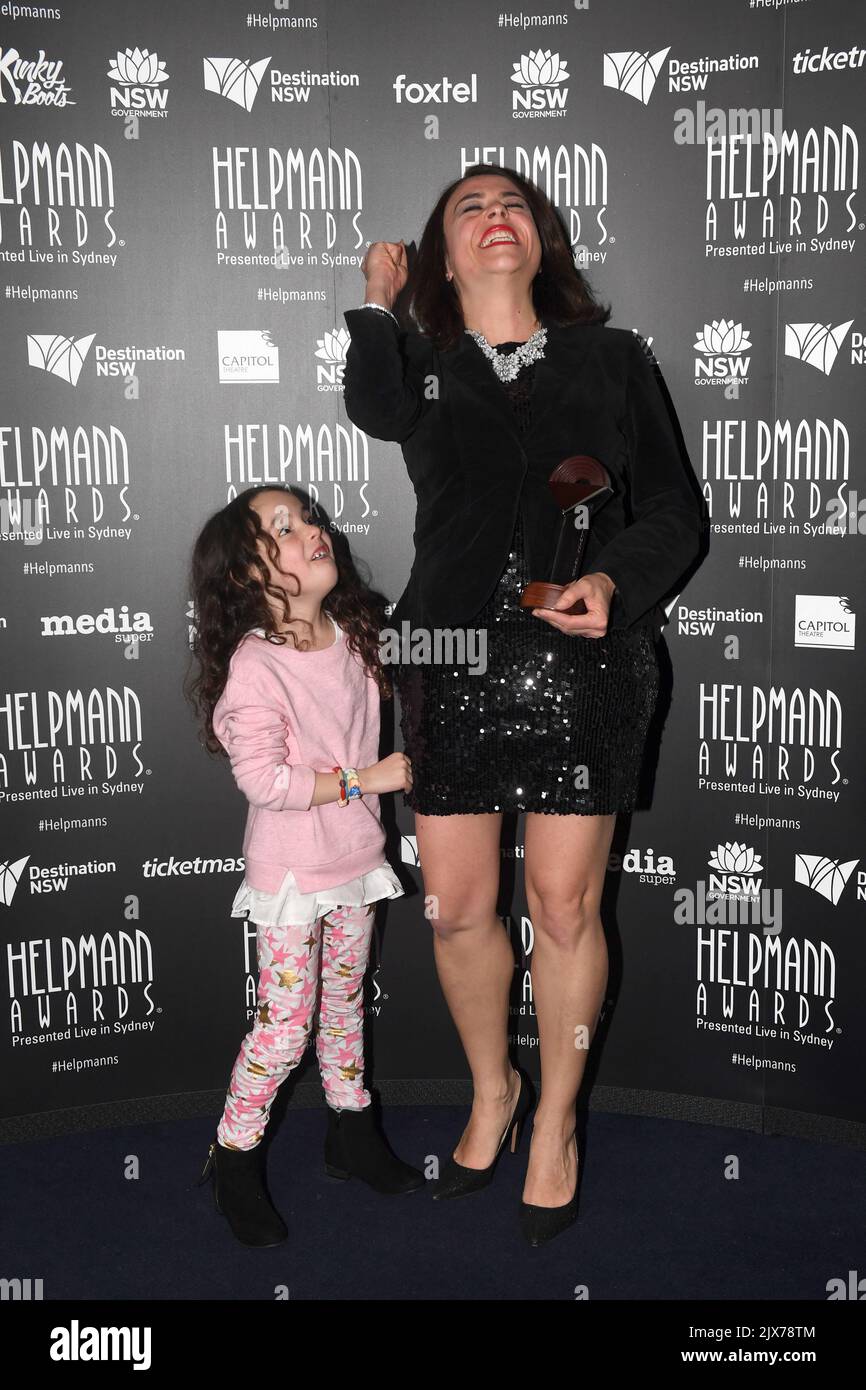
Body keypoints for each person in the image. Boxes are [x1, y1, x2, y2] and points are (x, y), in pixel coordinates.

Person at [341, 163, 707, 1246]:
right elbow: (372, 408)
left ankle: (553, 1123)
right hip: (447, 653)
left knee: (561, 907)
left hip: (581, 658)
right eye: (469, 209)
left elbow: (675, 513)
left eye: (512, 207)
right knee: (455, 907)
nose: (495, 218)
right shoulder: (419, 366)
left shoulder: (611, 359)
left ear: (538, 240)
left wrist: (616, 582)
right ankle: (490, 1089)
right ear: (443, 254)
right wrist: (375, 302)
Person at [185, 484, 424, 1247]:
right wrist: (366, 779)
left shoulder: (357, 636)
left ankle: (350, 1135)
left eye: (310, 519)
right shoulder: (257, 665)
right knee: (285, 1029)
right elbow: (265, 782)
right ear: (245, 577)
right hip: (291, 880)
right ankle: (234, 1156)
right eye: (281, 529)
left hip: (357, 863)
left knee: (346, 1008)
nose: (310, 532)